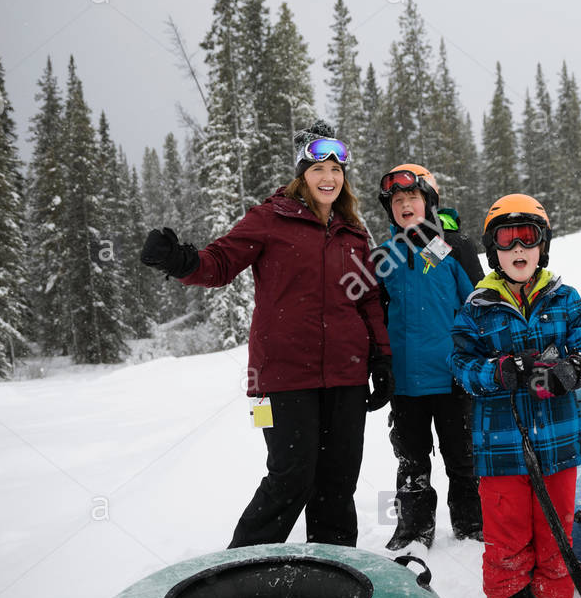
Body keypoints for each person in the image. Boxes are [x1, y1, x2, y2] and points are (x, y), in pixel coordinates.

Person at [139, 121, 393, 547]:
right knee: (292, 476)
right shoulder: (269, 219)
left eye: (336, 170)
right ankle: (239, 571)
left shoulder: (353, 232)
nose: (328, 178)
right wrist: (182, 262)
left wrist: (381, 359)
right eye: (318, 169)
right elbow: (220, 263)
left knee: (339, 478)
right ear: (301, 175)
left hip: (347, 375)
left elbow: (367, 300)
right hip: (285, 376)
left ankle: (333, 568)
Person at [450, 194, 581, 598]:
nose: (518, 249)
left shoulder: (565, 299)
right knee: (508, 534)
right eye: (505, 240)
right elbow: (460, 367)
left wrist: (572, 371)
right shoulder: (477, 307)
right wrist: (498, 372)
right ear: (492, 249)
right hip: (500, 448)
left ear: (543, 246)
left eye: (528, 238)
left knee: (556, 527)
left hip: (556, 443)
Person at [375, 163, 485, 550]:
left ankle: (472, 525)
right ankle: (413, 528)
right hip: (405, 382)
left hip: (454, 377)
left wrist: (479, 362)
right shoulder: (384, 256)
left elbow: (481, 307)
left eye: (413, 197)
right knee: (411, 462)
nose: (405, 205)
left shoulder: (455, 247)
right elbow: (373, 314)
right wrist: (377, 363)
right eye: (398, 200)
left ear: (430, 202)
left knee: (464, 459)